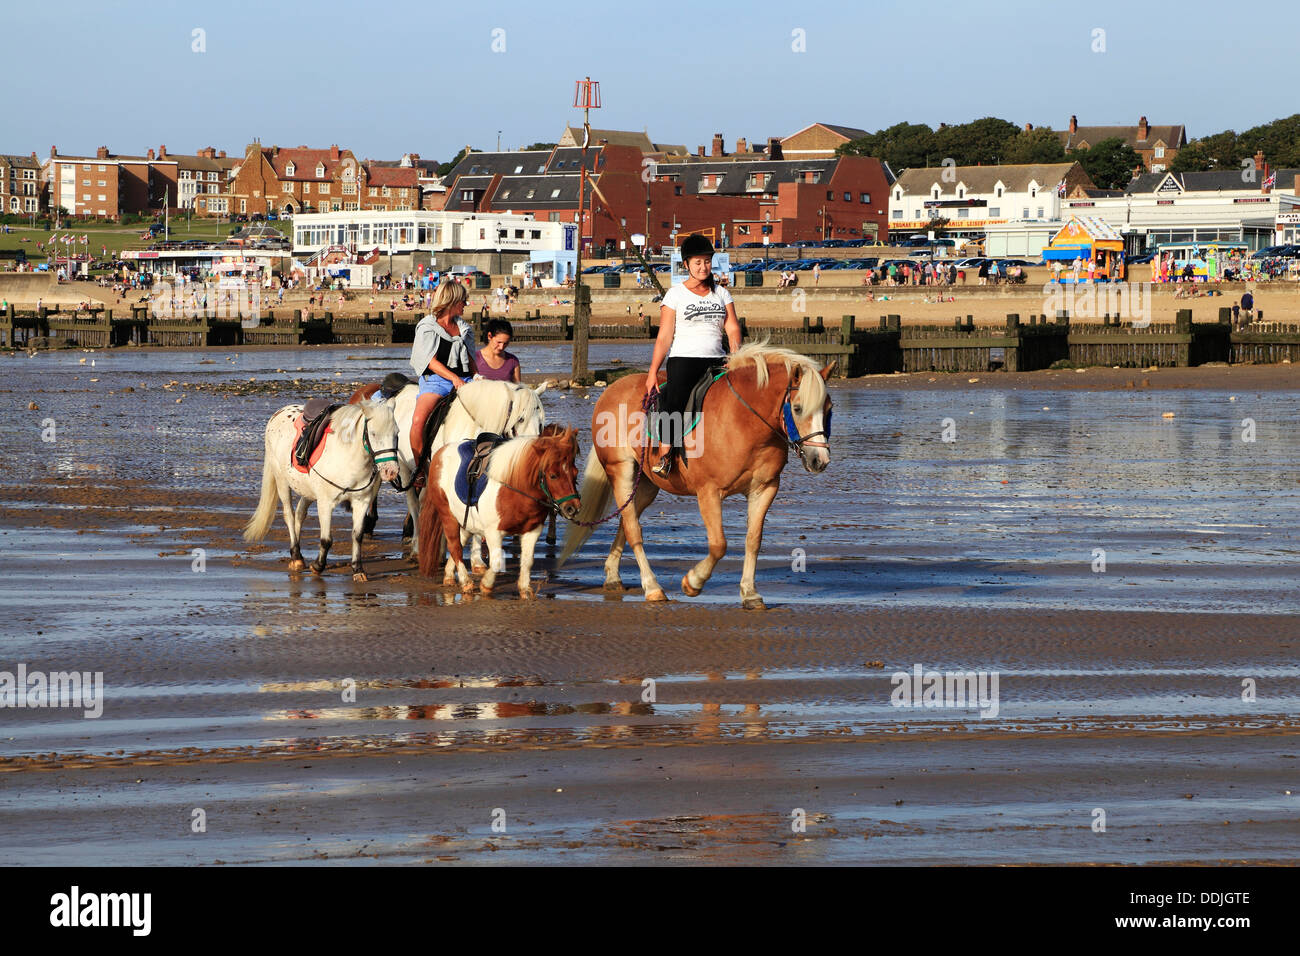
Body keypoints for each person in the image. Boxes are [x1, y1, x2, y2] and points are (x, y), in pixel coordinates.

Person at [645, 234, 742, 476]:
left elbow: (732, 327)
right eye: (697, 262)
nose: (703, 267)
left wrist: (736, 357)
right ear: (686, 265)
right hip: (684, 359)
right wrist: (652, 372)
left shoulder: (721, 294)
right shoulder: (675, 295)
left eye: (707, 262)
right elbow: (665, 335)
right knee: (673, 401)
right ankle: (665, 455)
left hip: (717, 360)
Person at [408, 279, 477, 467]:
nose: (466, 304)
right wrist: (454, 378)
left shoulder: (464, 329)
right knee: (418, 420)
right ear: (452, 301)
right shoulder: (428, 327)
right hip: (437, 381)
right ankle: (419, 468)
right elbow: (431, 361)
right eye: (463, 300)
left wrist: (477, 377)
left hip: (465, 379)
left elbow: (471, 358)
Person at [475, 318, 522, 383]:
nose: (501, 347)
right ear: (489, 336)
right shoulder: (474, 358)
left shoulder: (513, 361)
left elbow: (518, 389)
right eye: (499, 342)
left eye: (505, 343)